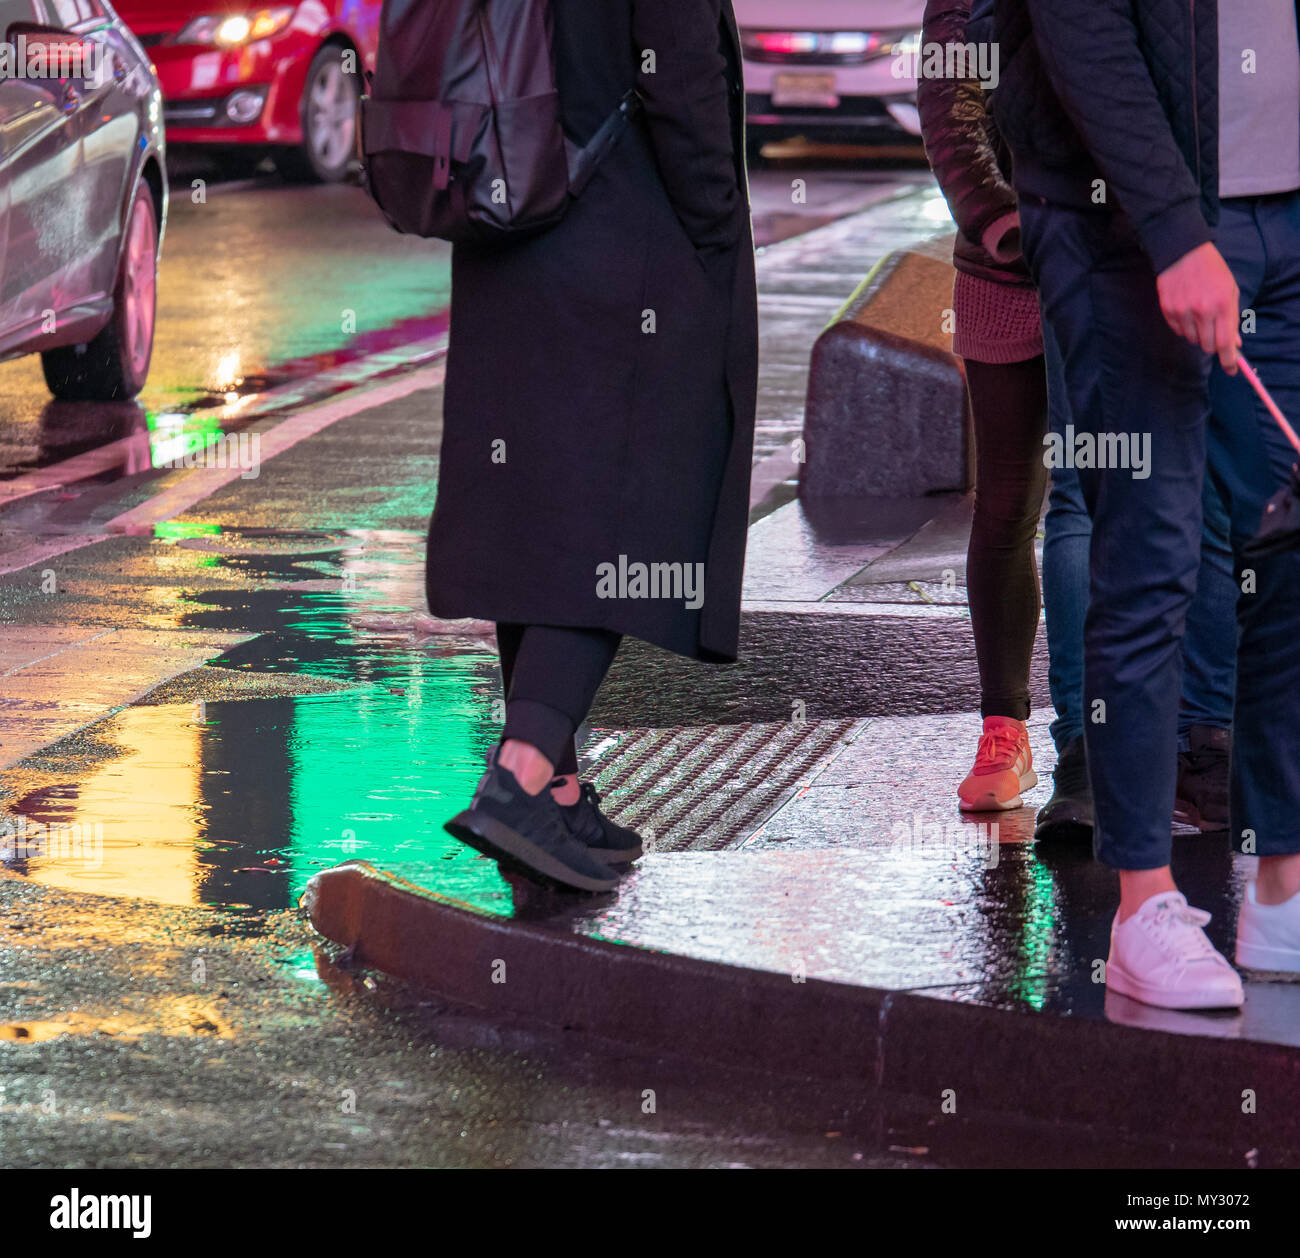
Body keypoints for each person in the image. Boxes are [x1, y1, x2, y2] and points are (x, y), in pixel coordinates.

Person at [994, 0, 1300, 1007]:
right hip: (1119, 223)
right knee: (1150, 546)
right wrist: (1172, 229)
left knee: (1286, 537)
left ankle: (1279, 888)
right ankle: (1140, 904)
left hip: (1285, 213)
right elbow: (1081, 25)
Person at [426, 0, 759, 893]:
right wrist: (716, 221)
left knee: (533, 501)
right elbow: (678, 65)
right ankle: (523, 776)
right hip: (621, 228)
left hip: (507, 208)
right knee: (620, 514)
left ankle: (561, 790)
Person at [916, 0, 1046, 814]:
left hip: (1109, 262)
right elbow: (947, 98)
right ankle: (1006, 729)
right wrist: (999, 218)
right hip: (1008, 270)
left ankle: (1127, 744)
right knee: (1006, 506)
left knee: (1119, 508)